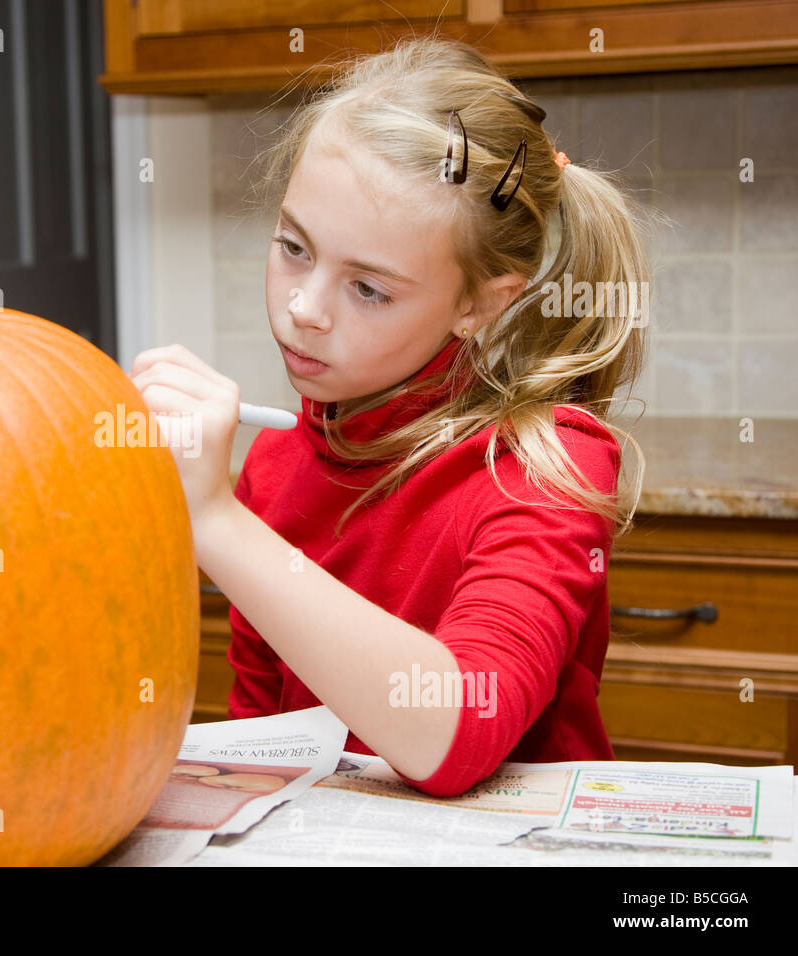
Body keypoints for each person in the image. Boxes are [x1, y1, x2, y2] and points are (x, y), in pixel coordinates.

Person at [130, 35, 659, 797]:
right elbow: (259, 736)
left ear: (479, 303)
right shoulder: (275, 467)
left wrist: (212, 520)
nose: (303, 308)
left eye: (368, 289)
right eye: (293, 247)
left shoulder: (549, 465)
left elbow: (457, 734)